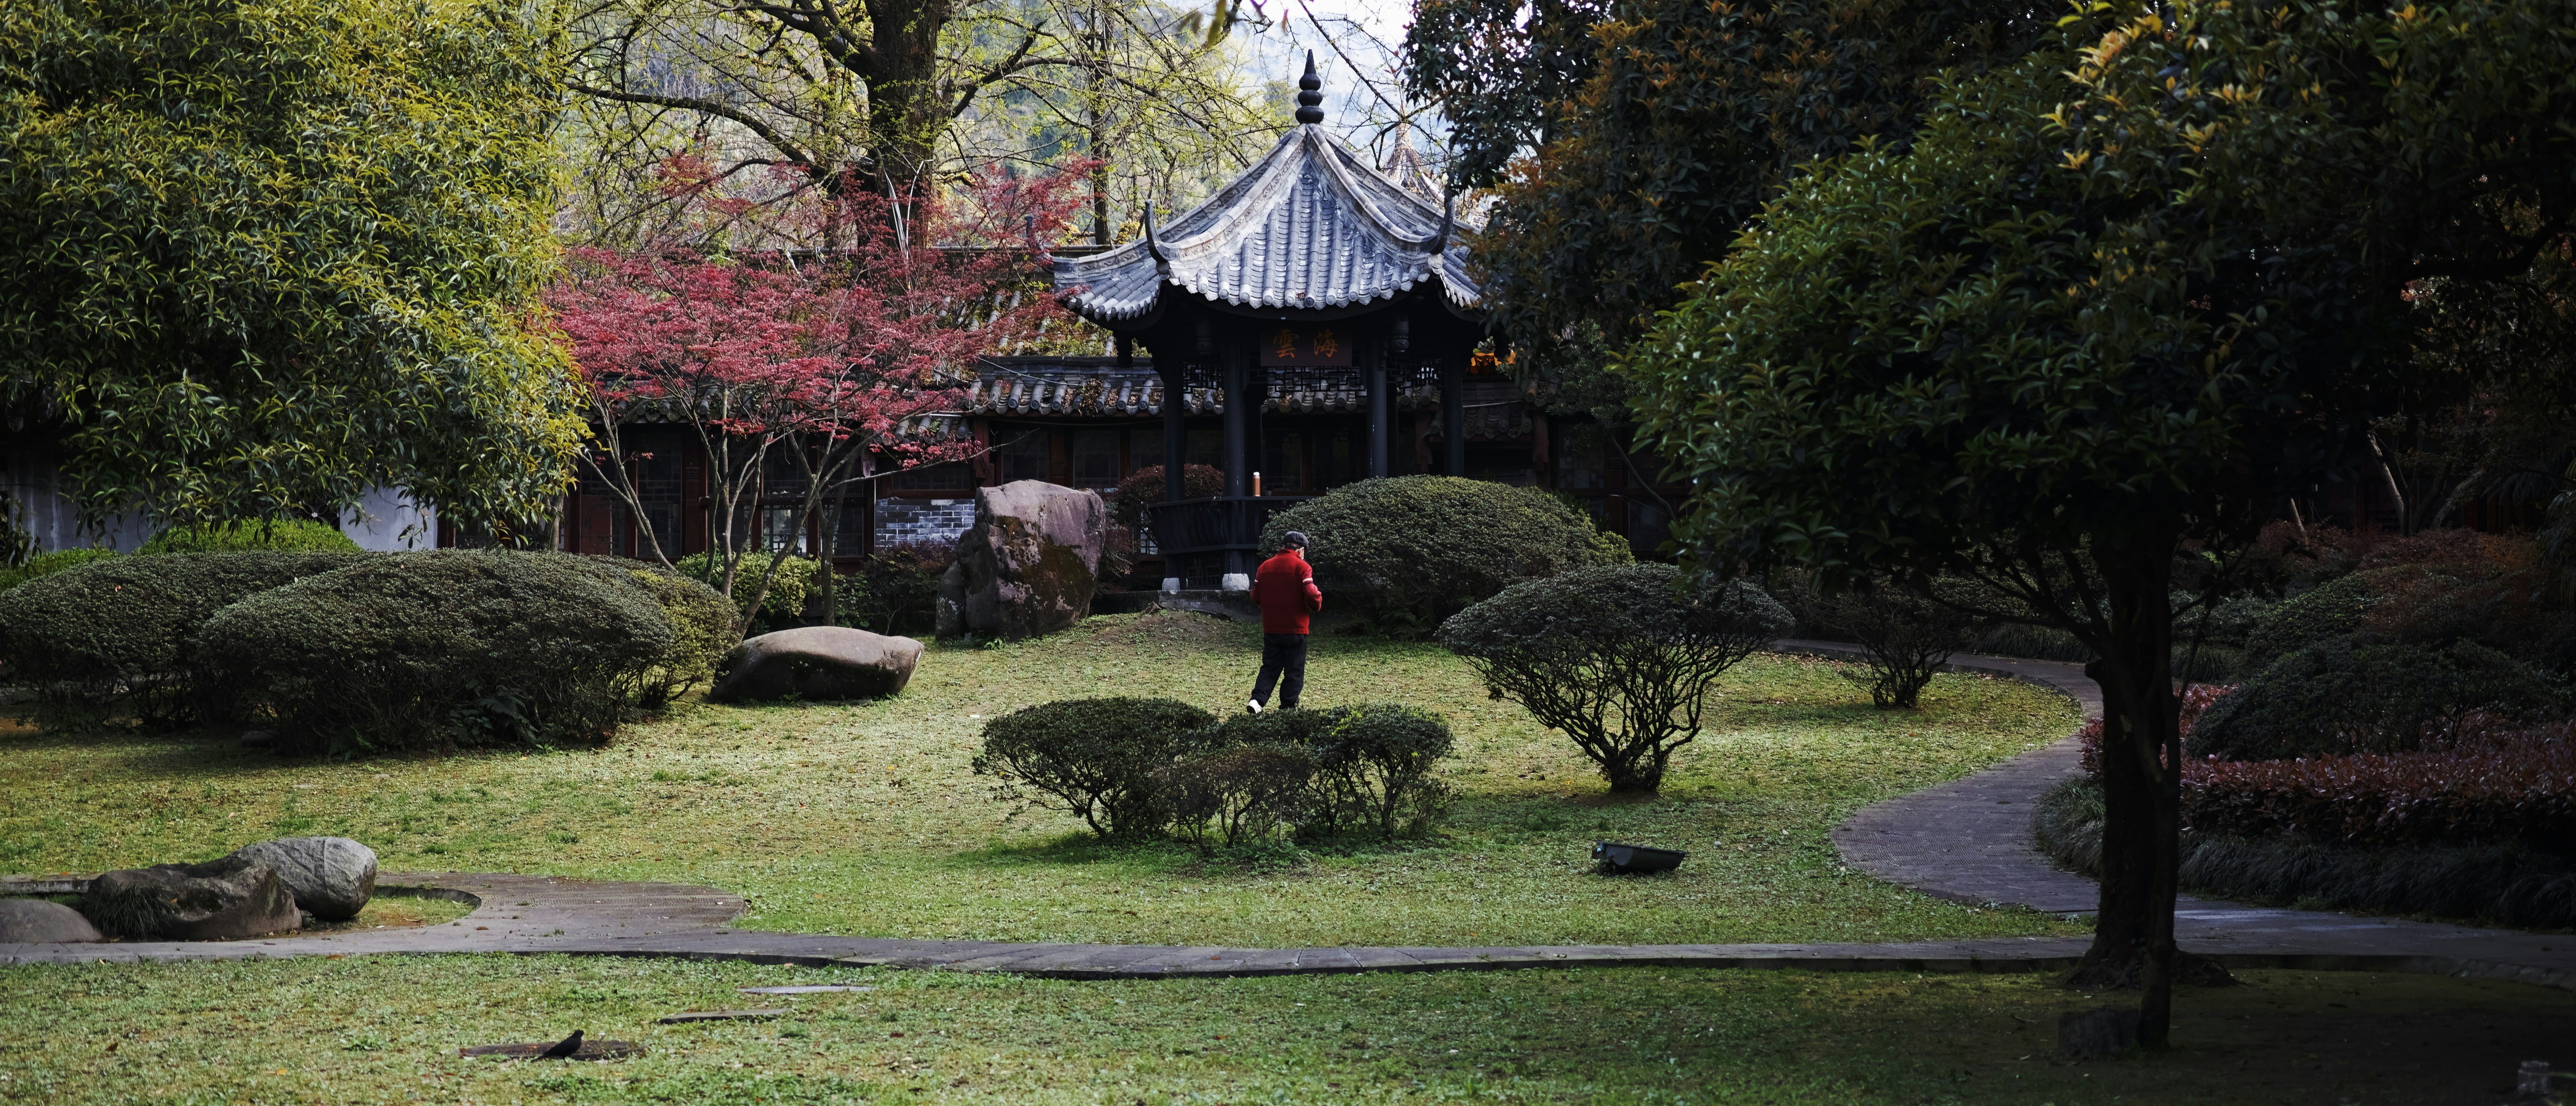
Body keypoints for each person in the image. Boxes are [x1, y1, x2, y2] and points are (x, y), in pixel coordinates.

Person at [1247, 530, 1322, 713]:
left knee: (1270, 667)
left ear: (1284, 546)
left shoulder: (1264, 567)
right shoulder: (1302, 567)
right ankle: (1288, 707)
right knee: (1294, 670)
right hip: (1297, 629)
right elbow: (1312, 594)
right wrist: (1317, 602)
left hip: (1271, 628)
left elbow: (1255, 596)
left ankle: (1257, 701)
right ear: (1301, 550)